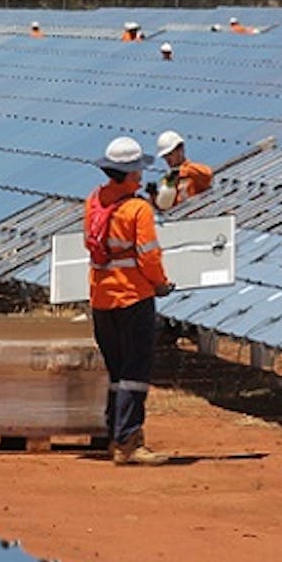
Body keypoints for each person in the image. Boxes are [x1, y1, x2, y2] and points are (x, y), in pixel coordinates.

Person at [86, 136, 174, 465]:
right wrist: (161, 284)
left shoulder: (94, 201)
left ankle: (114, 436)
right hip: (133, 297)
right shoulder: (138, 209)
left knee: (116, 371)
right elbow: (148, 256)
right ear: (131, 173)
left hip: (101, 298)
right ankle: (128, 443)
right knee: (135, 373)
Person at [150, 130, 213, 212]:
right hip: (181, 220)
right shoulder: (168, 180)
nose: (167, 159)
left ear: (181, 149)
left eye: (170, 154)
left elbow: (207, 174)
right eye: (165, 157)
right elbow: (164, 207)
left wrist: (181, 171)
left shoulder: (193, 171)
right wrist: (153, 195)